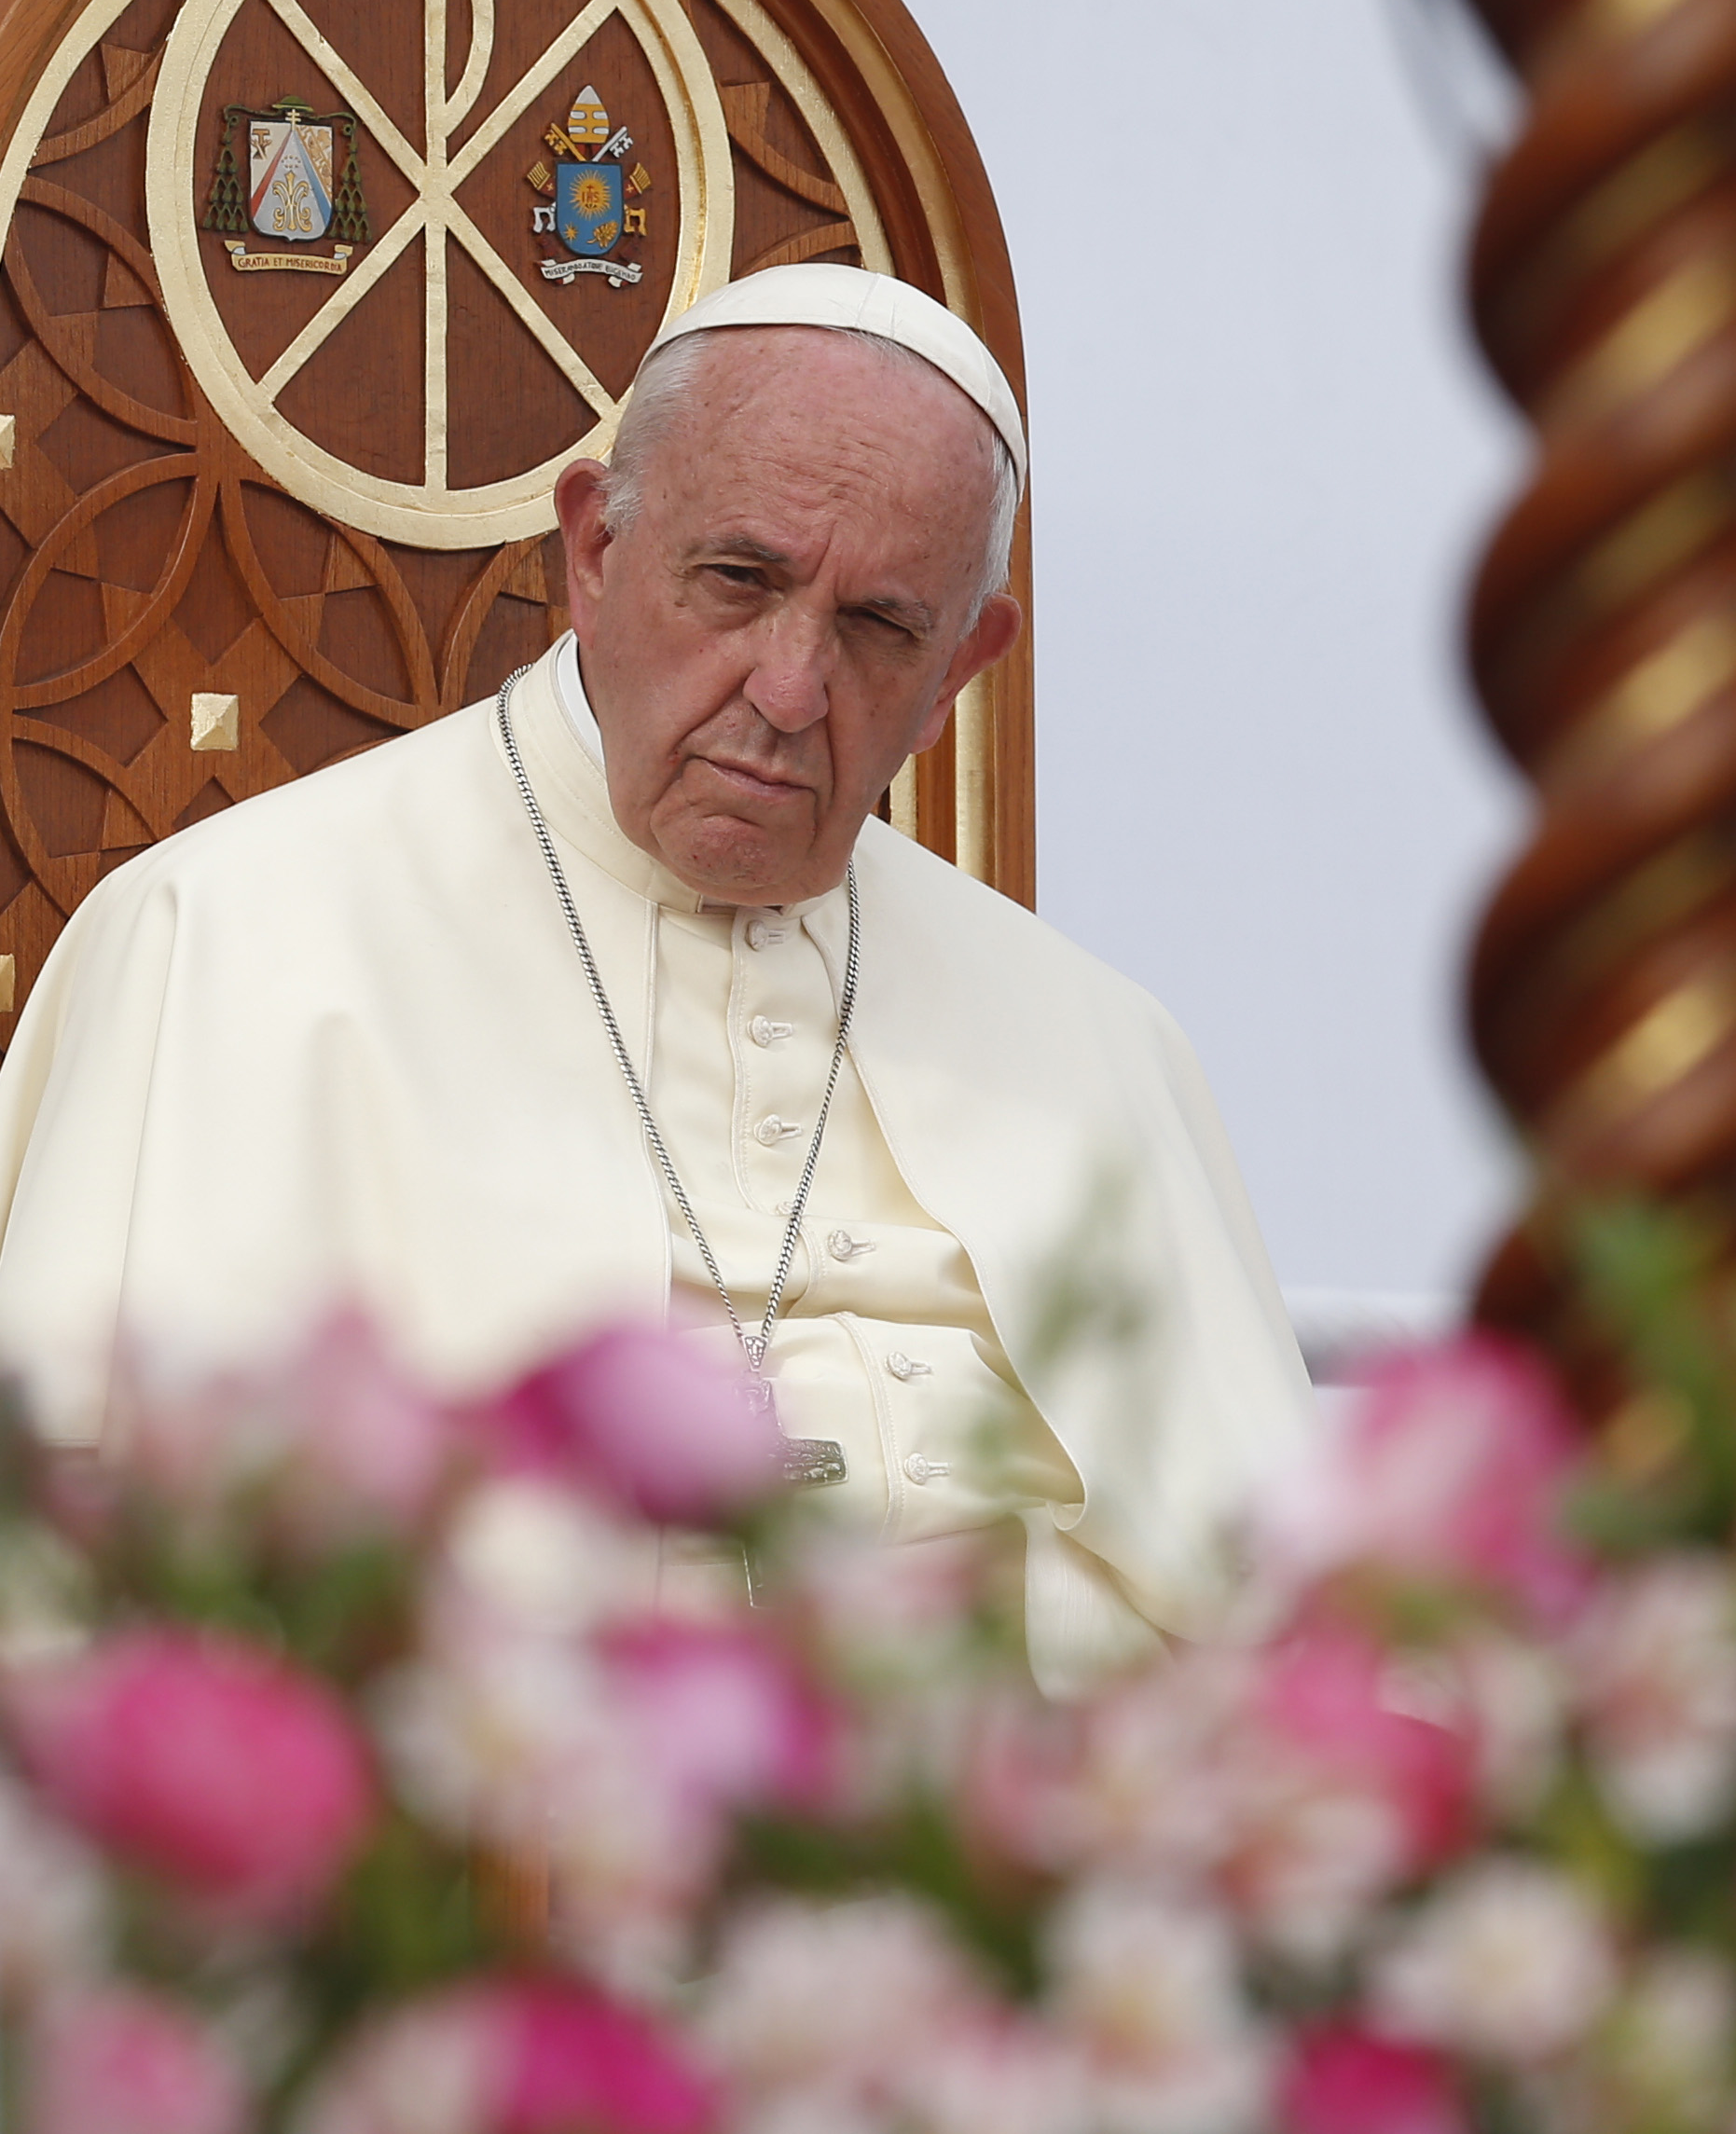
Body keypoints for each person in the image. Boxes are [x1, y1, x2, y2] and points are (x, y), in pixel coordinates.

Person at [0, 265, 1309, 1692]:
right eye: (740, 581)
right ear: (597, 550)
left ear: (962, 669)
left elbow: (1300, 1627)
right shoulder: (223, 940)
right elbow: (66, 1610)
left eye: (880, 626)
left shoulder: (1098, 1041)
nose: (790, 689)